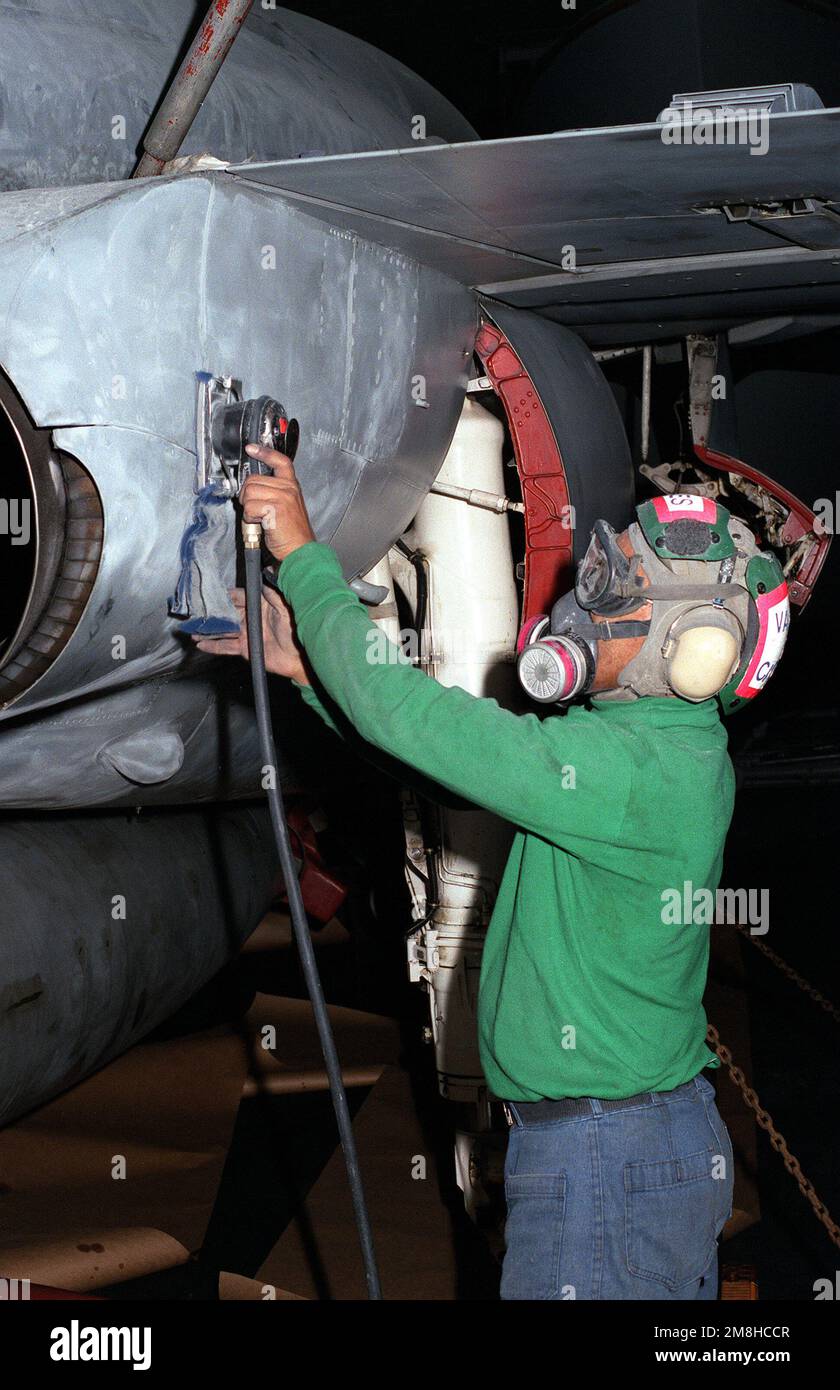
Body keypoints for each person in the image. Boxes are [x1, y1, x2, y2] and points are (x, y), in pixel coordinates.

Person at [195, 443, 790, 1301]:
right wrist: (312, 675)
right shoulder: (663, 751)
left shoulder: (628, 771)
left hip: (603, 1165)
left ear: (687, 649)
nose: (583, 612)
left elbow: (414, 720)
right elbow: (446, 764)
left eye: (616, 602)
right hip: (629, 1150)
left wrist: (303, 554)